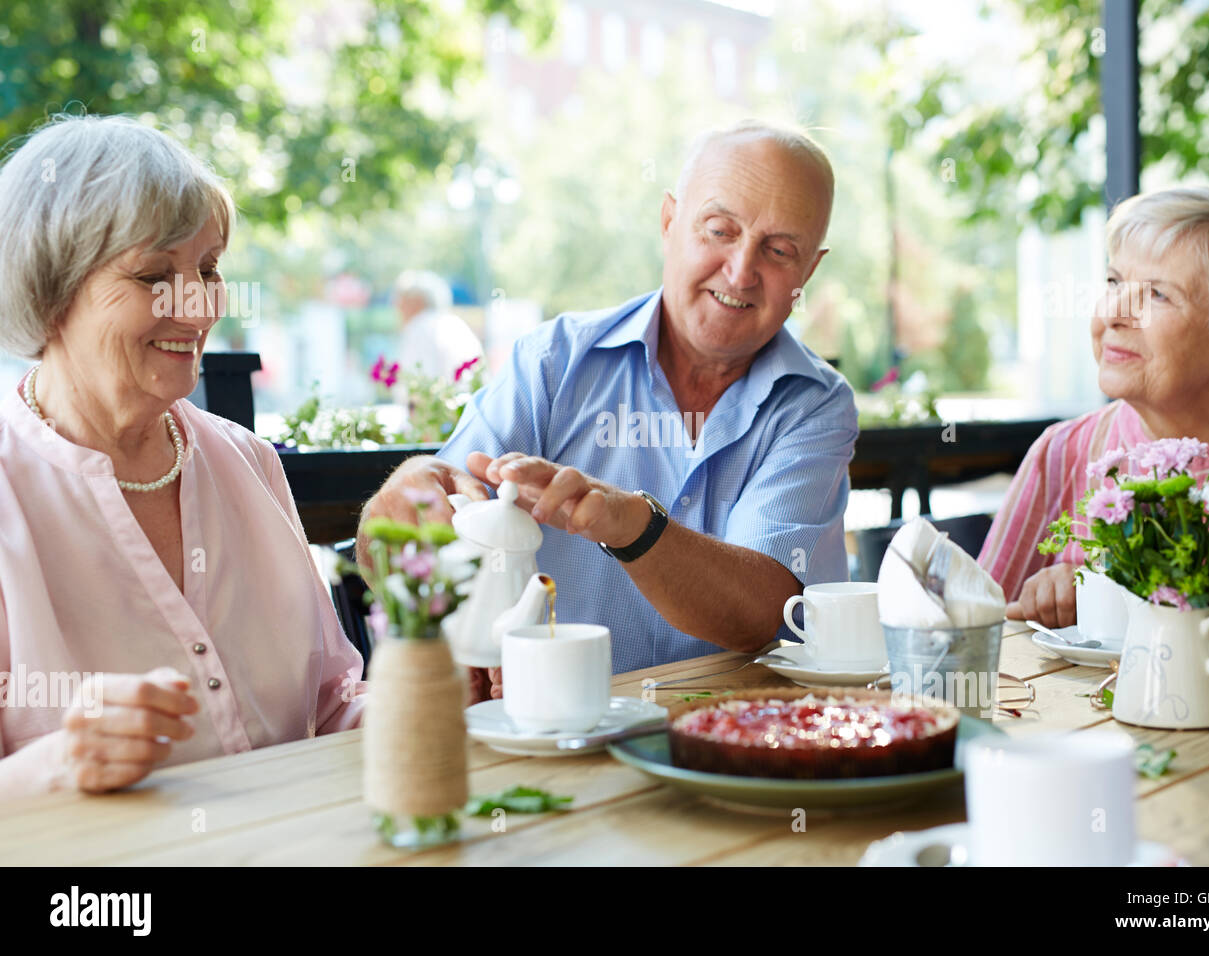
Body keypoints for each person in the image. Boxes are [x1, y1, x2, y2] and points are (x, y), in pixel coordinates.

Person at [359, 121, 857, 689]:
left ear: (808, 271)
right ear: (669, 223)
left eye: (778, 250)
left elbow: (761, 614)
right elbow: (394, 543)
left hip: (736, 738)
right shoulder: (552, 363)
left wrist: (631, 524)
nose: (741, 271)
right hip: (551, 736)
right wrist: (406, 496)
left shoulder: (816, 404)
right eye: (720, 230)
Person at [0, 115, 365, 799]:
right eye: (152, 275)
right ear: (51, 291)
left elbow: (335, 706)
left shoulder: (249, 462)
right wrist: (57, 767)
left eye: (208, 268)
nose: (198, 307)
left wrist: (432, 690)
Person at [979, 186, 1209, 645]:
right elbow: (968, 630)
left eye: (1157, 294)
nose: (1114, 313)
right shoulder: (1062, 452)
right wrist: (1044, 600)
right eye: (1113, 283)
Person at [393, 270, 484, 382]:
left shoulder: (420, 328)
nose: (398, 307)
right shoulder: (454, 323)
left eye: (402, 300)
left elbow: (418, 385)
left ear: (416, 301)